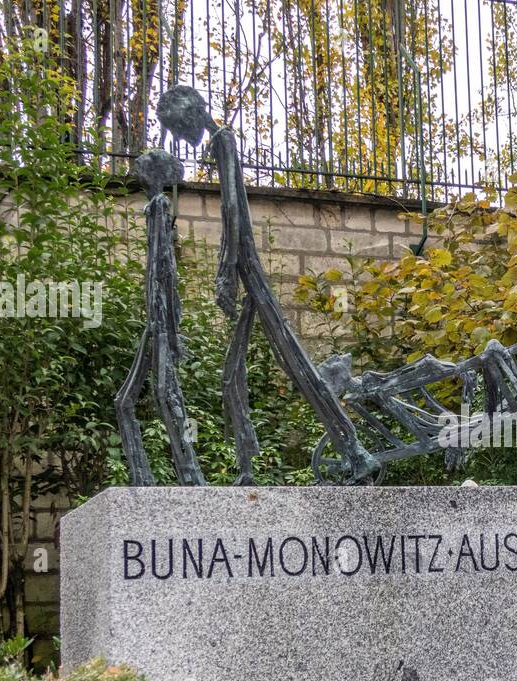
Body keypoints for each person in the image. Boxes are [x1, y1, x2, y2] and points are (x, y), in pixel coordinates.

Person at [157, 85, 379, 484]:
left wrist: (226, 271)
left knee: (294, 365)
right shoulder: (220, 142)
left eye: (177, 127)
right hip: (248, 273)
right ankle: (248, 467)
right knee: (236, 372)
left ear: (191, 115)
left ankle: (353, 449)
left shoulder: (223, 141)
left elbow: (232, 210)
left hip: (249, 272)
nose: (179, 138)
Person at [114, 149, 205, 486]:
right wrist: (165, 321)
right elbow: (162, 268)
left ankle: (180, 475)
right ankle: (175, 475)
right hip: (158, 318)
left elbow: (163, 267)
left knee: (154, 395)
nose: (139, 171)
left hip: (158, 316)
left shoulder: (157, 206)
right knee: (151, 395)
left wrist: (165, 320)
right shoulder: (158, 206)